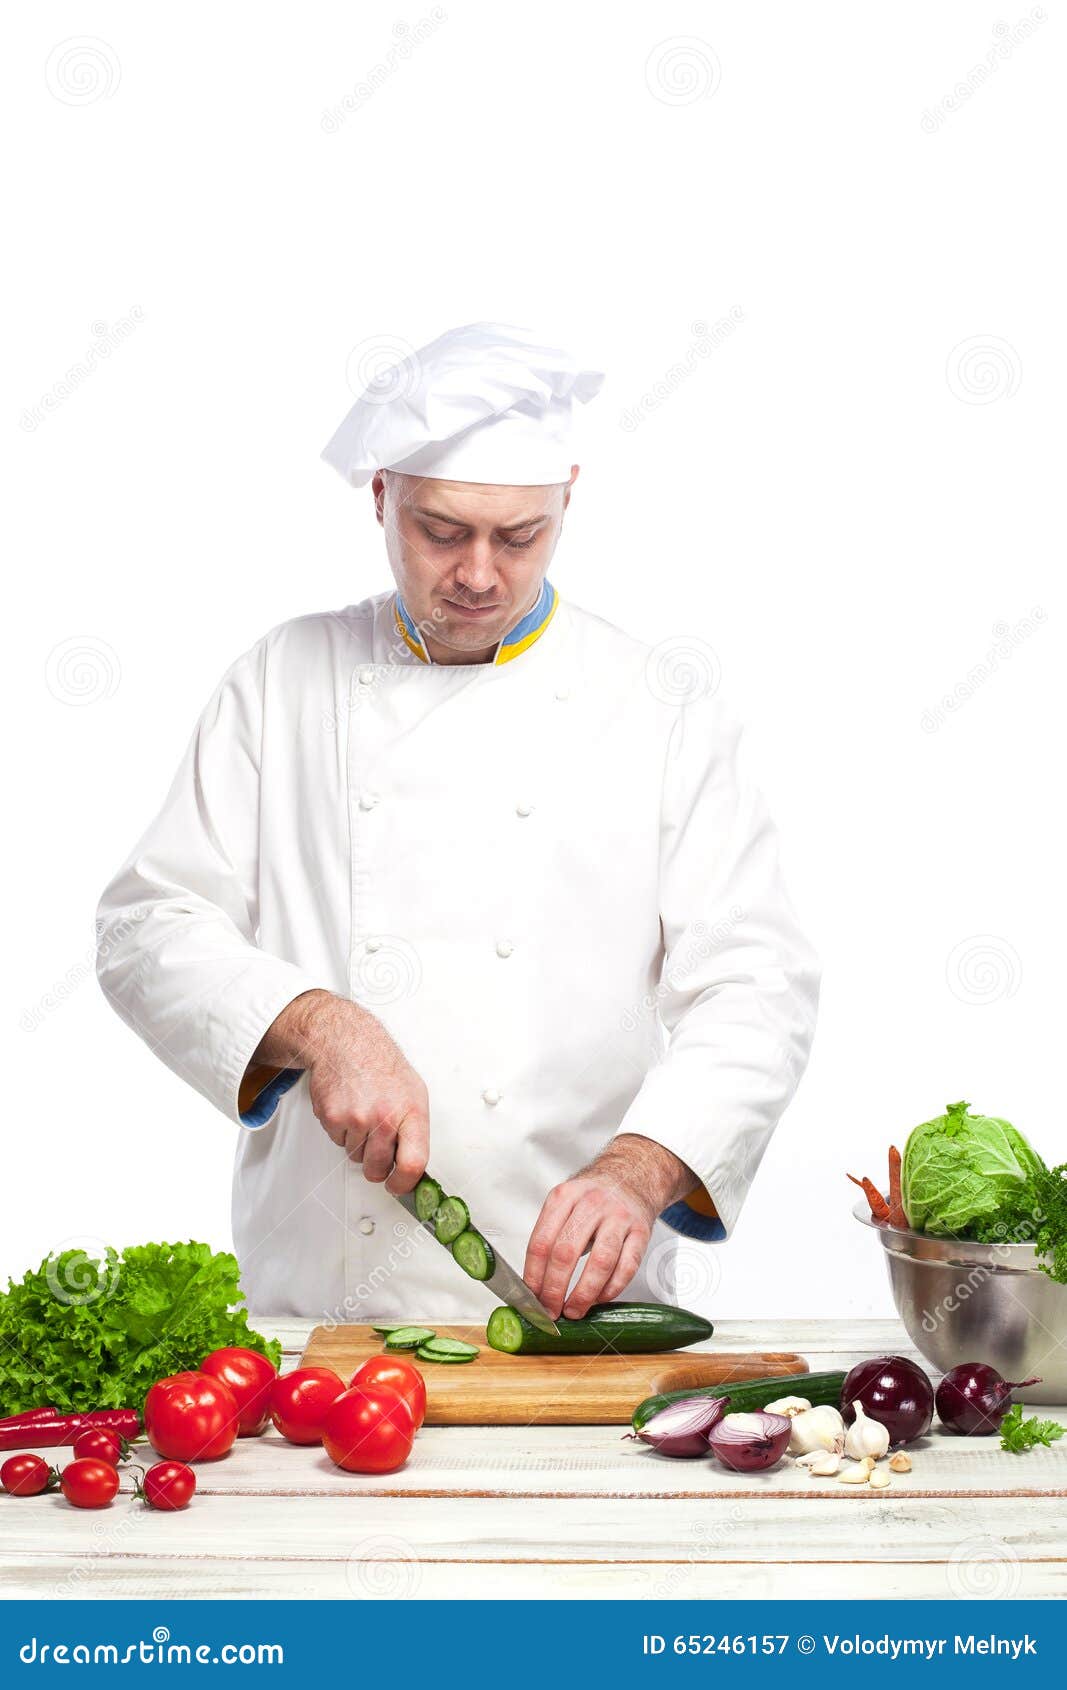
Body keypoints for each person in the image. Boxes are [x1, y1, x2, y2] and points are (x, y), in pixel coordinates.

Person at [96, 321, 819, 1322]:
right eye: (443, 530)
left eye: (519, 536)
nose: (480, 572)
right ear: (381, 495)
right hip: (324, 1313)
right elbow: (146, 926)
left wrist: (644, 1164)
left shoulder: (657, 703)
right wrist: (317, 1022)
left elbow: (756, 981)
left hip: (575, 1304)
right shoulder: (281, 682)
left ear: (567, 496)